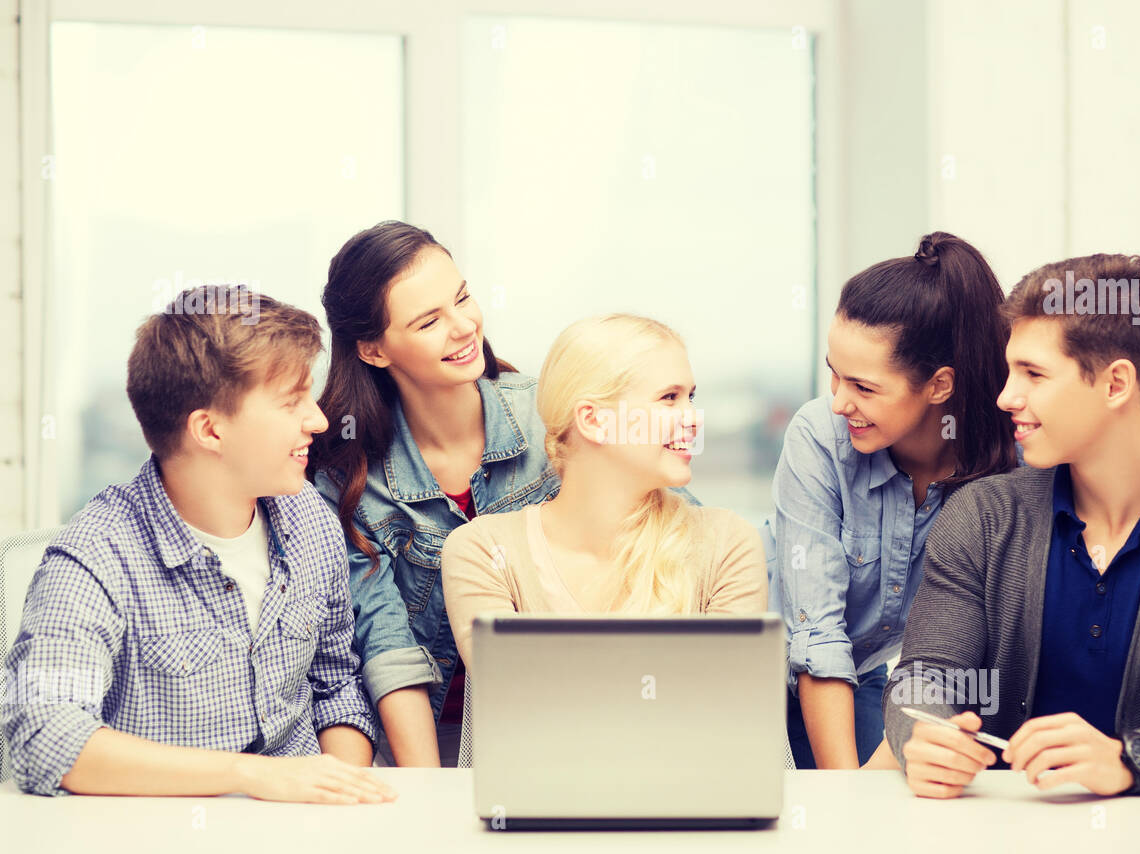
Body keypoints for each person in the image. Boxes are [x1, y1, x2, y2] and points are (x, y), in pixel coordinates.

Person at [883, 253, 1140, 797]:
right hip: (1001, 839)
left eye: (1033, 373)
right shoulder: (982, 518)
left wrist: (1133, 761)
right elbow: (918, 682)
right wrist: (926, 733)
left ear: (1115, 384)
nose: (1005, 396)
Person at [1, 286, 394, 804]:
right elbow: (44, 735)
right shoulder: (96, 555)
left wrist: (336, 793)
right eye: (291, 401)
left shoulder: (310, 521)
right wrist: (252, 777)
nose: (318, 420)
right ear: (209, 431)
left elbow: (335, 686)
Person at [308, 221, 558, 767]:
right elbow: (385, 644)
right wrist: (427, 793)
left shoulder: (550, 419)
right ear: (373, 350)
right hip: (424, 742)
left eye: (462, 297)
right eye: (428, 322)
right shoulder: (343, 474)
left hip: (554, 728)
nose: (464, 326)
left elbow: (665, 533)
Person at [766, 232, 1018, 769]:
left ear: (939, 386)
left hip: (863, 676)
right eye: (833, 373)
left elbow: (958, 655)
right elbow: (817, 633)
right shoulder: (819, 436)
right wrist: (845, 795)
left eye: (863, 386)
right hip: (761, 676)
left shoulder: (1012, 471)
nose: (838, 402)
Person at [440, 314, 766, 696]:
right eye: (669, 398)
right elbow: (520, 707)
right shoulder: (481, 552)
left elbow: (724, 710)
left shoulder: (728, 543)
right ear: (593, 421)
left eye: (690, 397)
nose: (693, 420)